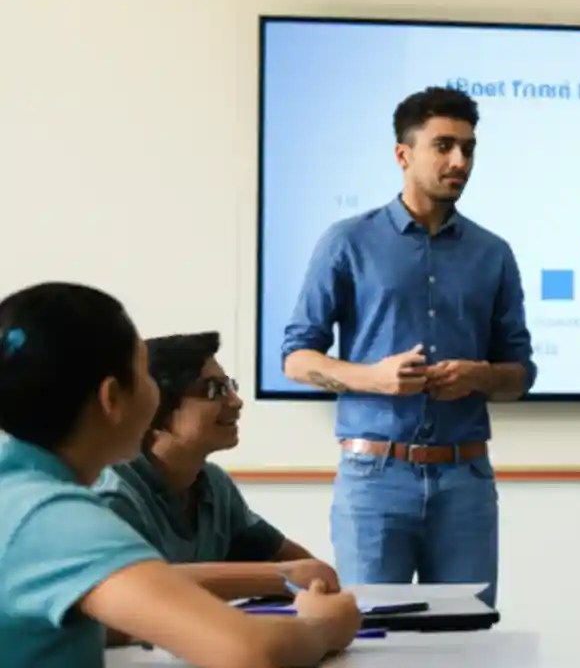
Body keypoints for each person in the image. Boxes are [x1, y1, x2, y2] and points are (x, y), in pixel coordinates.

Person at [0, 282, 360, 667]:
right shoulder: (54, 519)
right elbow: (251, 651)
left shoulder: (22, 494)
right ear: (112, 398)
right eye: (145, 374)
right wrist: (321, 627)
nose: (234, 402)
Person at [282, 86, 536, 607]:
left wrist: (480, 377)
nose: (459, 161)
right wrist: (373, 378)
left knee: (468, 642)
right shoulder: (347, 241)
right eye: (444, 146)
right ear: (404, 154)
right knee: (373, 640)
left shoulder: (494, 254)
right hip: (374, 481)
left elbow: (520, 374)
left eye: (468, 148)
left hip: (465, 480)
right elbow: (296, 358)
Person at [94, 331, 340, 600]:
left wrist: (315, 586)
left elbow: (300, 567)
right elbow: (137, 586)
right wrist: (282, 577)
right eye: (213, 390)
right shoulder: (114, 495)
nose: (236, 402)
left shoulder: (213, 484)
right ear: (154, 407)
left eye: (230, 386)